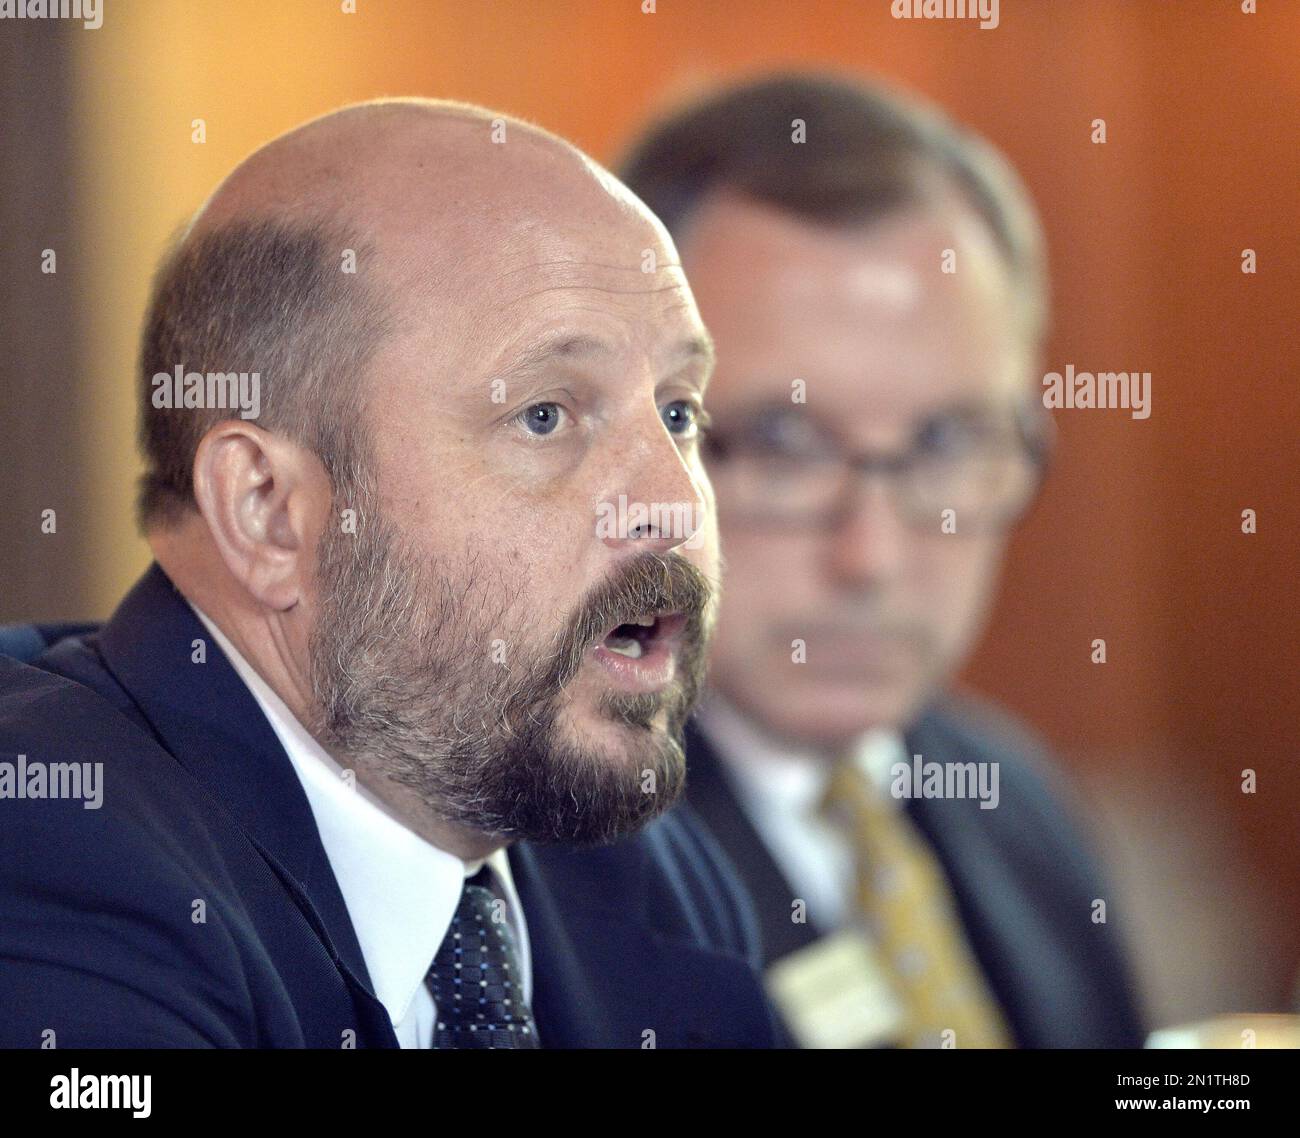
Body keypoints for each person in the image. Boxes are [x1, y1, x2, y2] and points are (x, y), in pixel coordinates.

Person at [0, 98, 781, 1049]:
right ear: (267, 511)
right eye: (545, 414)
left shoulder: (641, 870)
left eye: (678, 414)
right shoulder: (48, 854)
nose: (676, 503)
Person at [618, 72, 1146, 1048]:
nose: (871, 555)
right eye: (783, 443)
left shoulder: (1013, 799)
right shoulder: (543, 864)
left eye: (947, 442)